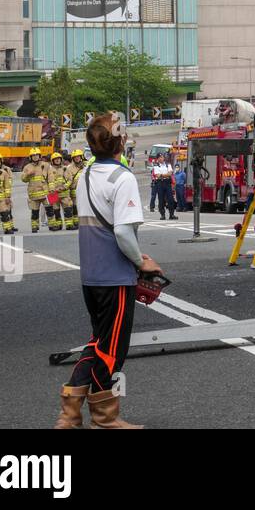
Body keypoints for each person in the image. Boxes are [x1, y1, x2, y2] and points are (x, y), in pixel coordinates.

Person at [54, 113, 155, 430]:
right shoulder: (122, 179)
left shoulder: (84, 175)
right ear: (121, 141)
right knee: (112, 350)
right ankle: (105, 417)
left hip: (91, 276)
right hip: (115, 277)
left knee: (97, 343)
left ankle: (69, 416)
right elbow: (124, 234)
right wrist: (142, 262)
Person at [22, 147, 51, 233]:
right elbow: (23, 180)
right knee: (34, 212)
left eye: (37, 155)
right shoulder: (27, 167)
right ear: (30, 157)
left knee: (50, 210)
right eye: (33, 156)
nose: (35, 157)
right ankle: (34, 227)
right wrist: (27, 175)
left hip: (47, 193)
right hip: (33, 194)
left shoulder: (46, 165)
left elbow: (51, 178)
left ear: (40, 156)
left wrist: (52, 189)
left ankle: (53, 225)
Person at [64, 149, 85, 230]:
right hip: (74, 192)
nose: (77, 158)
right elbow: (67, 180)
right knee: (75, 207)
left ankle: (83, 223)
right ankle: (76, 222)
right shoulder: (69, 168)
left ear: (81, 157)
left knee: (84, 208)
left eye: (78, 157)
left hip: (85, 191)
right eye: (75, 157)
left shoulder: (86, 166)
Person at [151, 154, 175, 220]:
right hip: (160, 183)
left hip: (167, 183)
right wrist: (166, 175)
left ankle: (171, 214)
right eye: (160, 157)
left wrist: (163, 175)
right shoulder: (156, 165)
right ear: (158, 159)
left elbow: (170, 173)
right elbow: (158, 175)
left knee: (170, 199)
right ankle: (162, 215)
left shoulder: (168, 164)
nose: (162, 158)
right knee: (161, 199)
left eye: (162, 157)